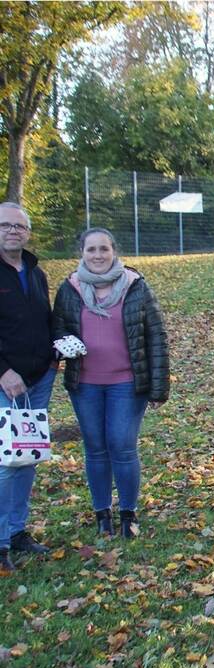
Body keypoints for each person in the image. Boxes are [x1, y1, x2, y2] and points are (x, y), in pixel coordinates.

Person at [51, 227, 169, 539]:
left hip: (127, 383)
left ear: (114, 251)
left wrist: (159, 387)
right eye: (92, 249)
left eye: (104, 249)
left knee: (122, 445)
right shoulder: (69, 288)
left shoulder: (136, 285)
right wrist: (61, 342)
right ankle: (102, 512)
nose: (98, 255)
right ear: (82, 253)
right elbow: (57, 328)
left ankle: (128, 513)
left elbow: (156, 336)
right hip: (85, 383)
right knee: (96, 447)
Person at [0, 202, 57, 574]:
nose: (12, 231)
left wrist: (54, 357)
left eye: (19, 226)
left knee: (28, 456)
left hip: (38, 380)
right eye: (5, 225)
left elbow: (44, 318)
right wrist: (3, 371)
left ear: (28, 232)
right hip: (6, 382)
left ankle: (16, 530)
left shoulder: (35, 272)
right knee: (6, 462)